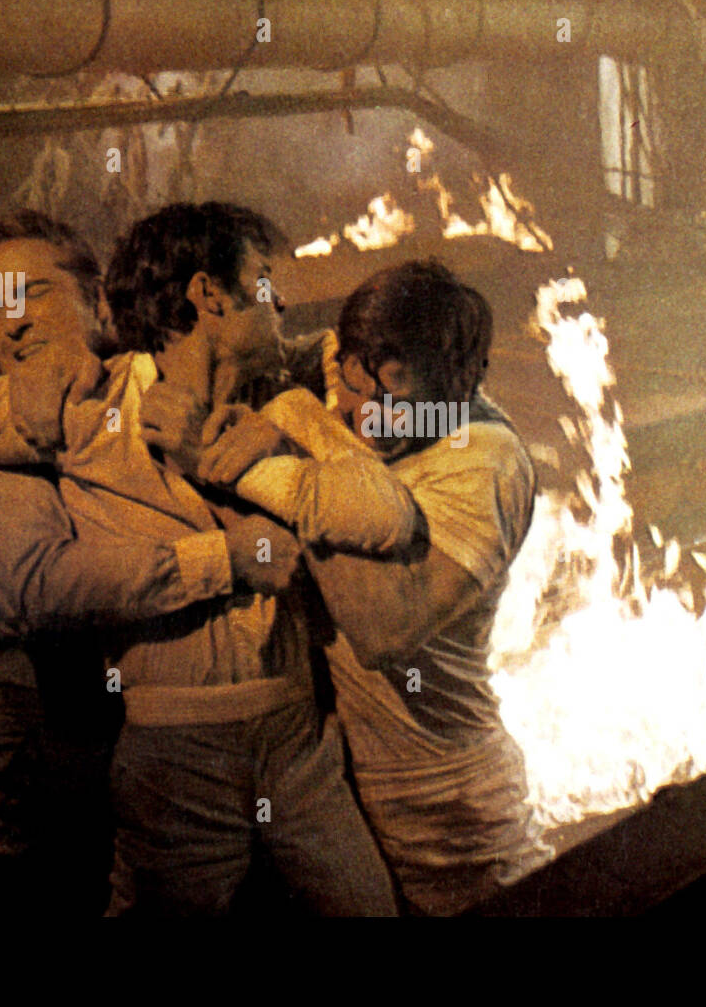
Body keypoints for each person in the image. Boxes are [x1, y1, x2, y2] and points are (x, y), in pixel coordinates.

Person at [0, 203, 399, 916]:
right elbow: (33, 587)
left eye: (31, 293)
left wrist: (291, 437)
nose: (8, 323)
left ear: (96, 299)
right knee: (43, 897)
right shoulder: (18, 426)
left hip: (228, 728)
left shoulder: (170, 378)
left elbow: (306, 355)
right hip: (48, 723)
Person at [160, 259, 554, 915]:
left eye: (397, 401)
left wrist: (280, 456)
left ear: (452, 394)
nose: (368, 418)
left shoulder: (487, 462)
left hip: (453, 807)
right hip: (344, 788)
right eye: (355, 389)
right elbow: (271, 349)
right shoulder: (356, 369)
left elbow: (381, 627)